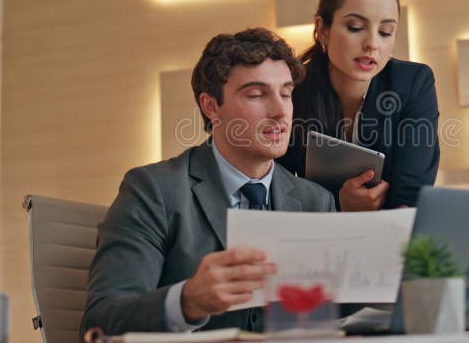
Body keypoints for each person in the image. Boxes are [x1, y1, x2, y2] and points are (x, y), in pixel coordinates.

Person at [81, 28, 335, 337]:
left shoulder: (316, 203)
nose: (280, 111)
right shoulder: (152, 191)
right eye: (256, 94)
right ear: (211, 106)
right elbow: (99, 322)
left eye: (285, 93)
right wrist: (185, 302)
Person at [278, 0, 440, 211]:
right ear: (322, 30)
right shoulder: (293, 91)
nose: (372, 44)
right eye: (355, 27)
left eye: (386, 31)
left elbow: (411, 199)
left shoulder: (414, 84)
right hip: (312, 239)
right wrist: (339, 207)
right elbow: (279, 192)